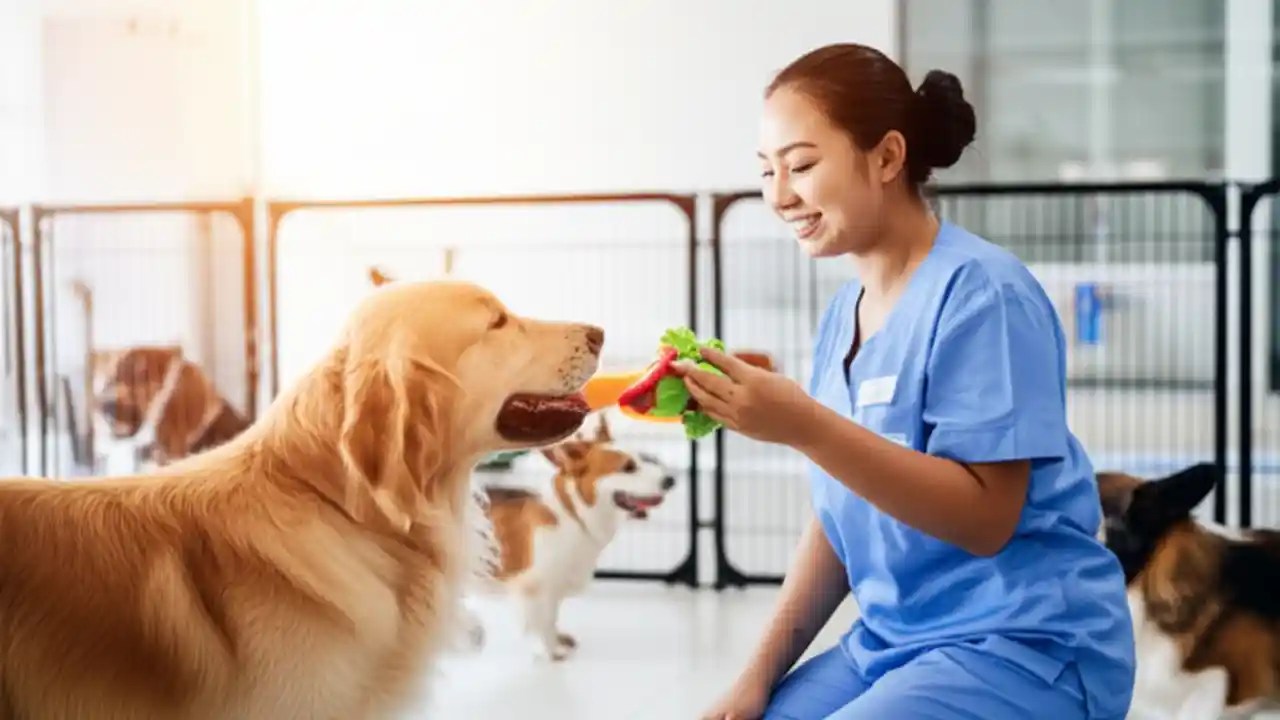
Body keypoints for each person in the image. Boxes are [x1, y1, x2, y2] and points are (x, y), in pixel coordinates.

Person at [684, 43, 1136, 720]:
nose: (778, 195)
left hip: (1024, 645)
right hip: (892, 640)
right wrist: (757, 674)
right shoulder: (843, 317)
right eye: (767, 171)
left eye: (801, 165)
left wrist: (805, 426)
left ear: (888, 158)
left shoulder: (983, 295)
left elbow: (986, 522)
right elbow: (841, 516)